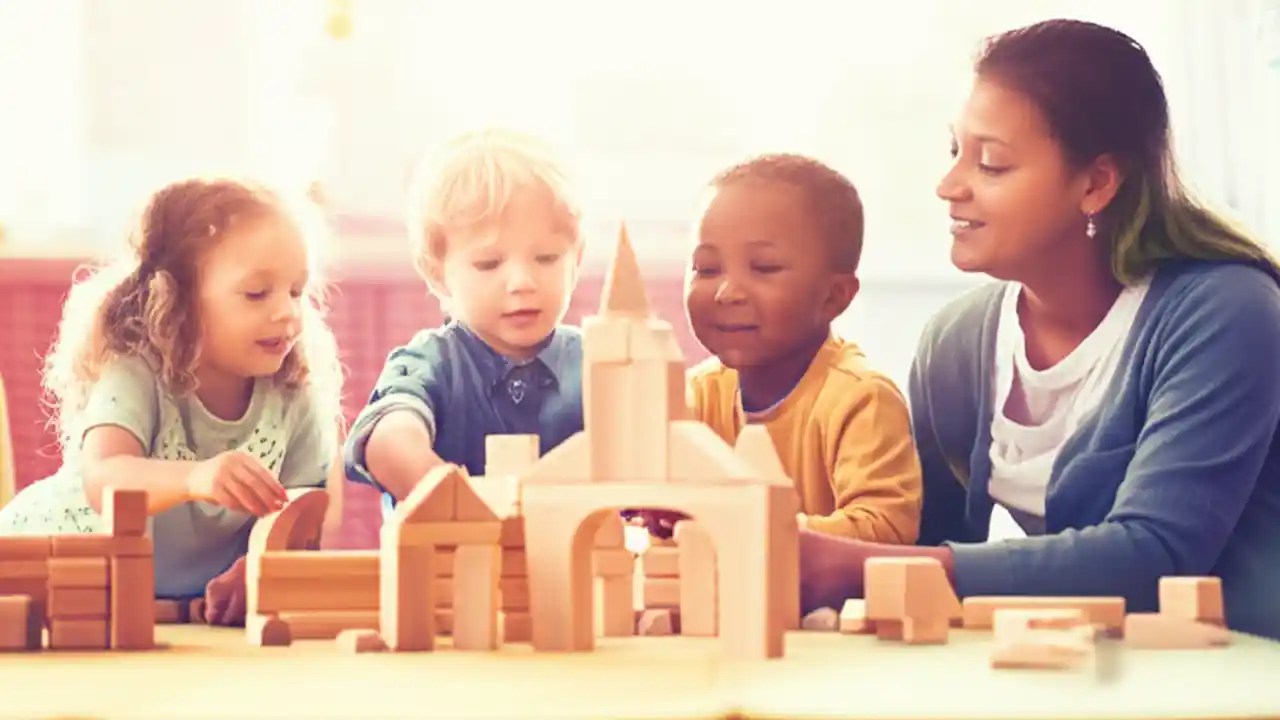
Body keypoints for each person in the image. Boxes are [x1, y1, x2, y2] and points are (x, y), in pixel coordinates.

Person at [798, 18, 1280, 641]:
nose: (950, 187)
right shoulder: (956, 345)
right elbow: (915, 543)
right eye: (955, 152)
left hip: (1247, 678)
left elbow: (1154, 554)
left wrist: (855, 567)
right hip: (1092, 679)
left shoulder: (1225, 312)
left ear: (1097, 182)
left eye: (992, 164)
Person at [0, 177, 344, 625]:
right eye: (257, 293)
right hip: (59, 561)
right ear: (175, 299)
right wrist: (195, 477)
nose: (288, 311)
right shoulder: (138, 372)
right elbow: (104, 477)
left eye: (296, 291)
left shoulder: (293, 396)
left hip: (171, 610)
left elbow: (311, 508)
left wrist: (263, 566)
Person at [644, 154, 920, 543]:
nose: (727, 292)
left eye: (765, 268)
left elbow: (886, 529)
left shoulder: (862, 399)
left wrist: (744, 526)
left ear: (833, 296)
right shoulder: (695, 395)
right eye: (707, 269)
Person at [343, 129, 585, 514]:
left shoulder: (595, 364)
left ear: (578, 257)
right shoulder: (432, 362)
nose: (522, 283)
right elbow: (388, 443)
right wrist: (463, 505)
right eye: (489, 264)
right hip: (450, 565)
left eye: (547, 258)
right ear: (437, 274)